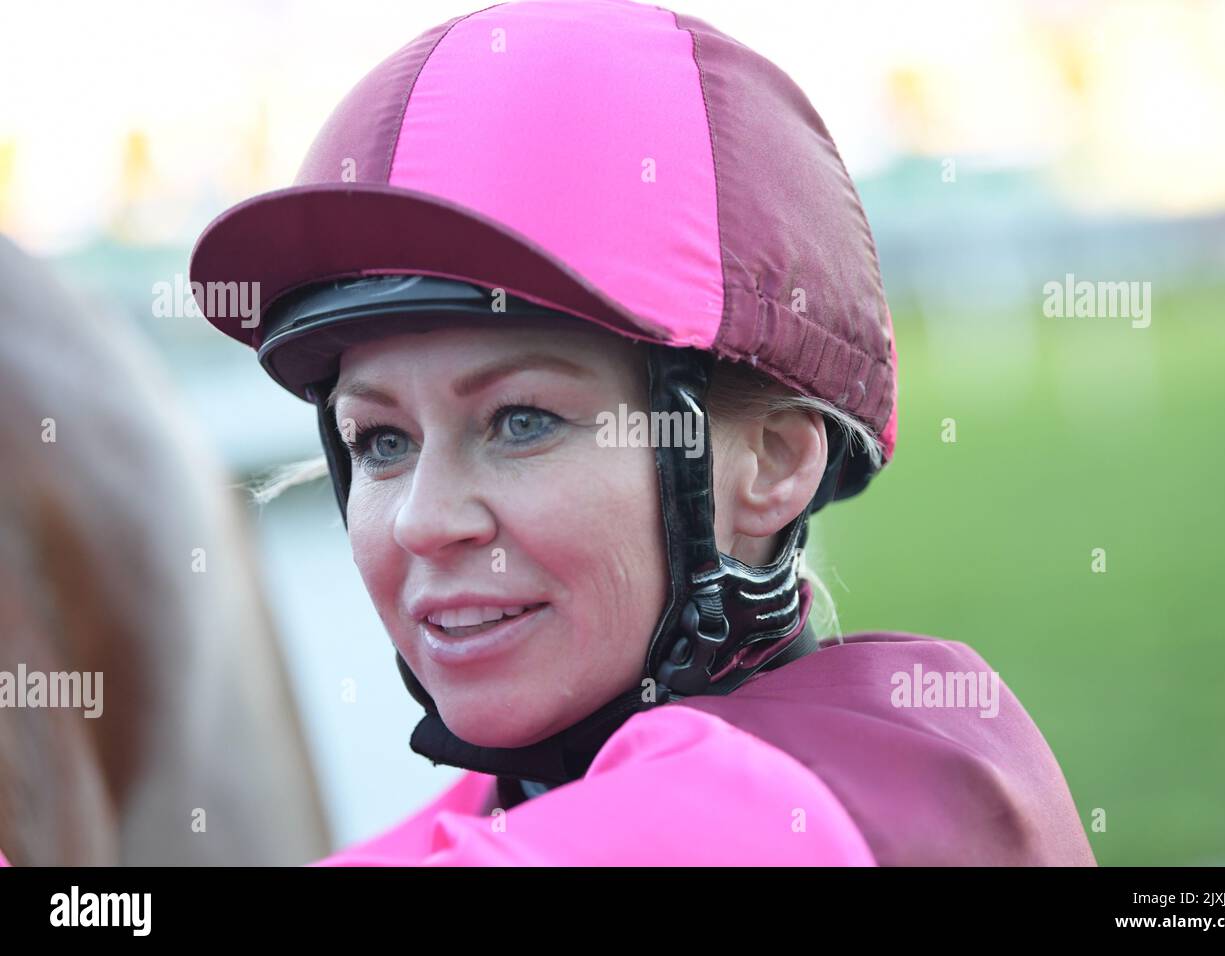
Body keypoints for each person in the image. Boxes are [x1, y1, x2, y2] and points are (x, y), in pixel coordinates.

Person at [188, 0, 1096, 866]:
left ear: (773, 461)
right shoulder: (515, 800)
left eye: (520, 421)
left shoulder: (784, 813)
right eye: (381, 441)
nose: (423, 523)